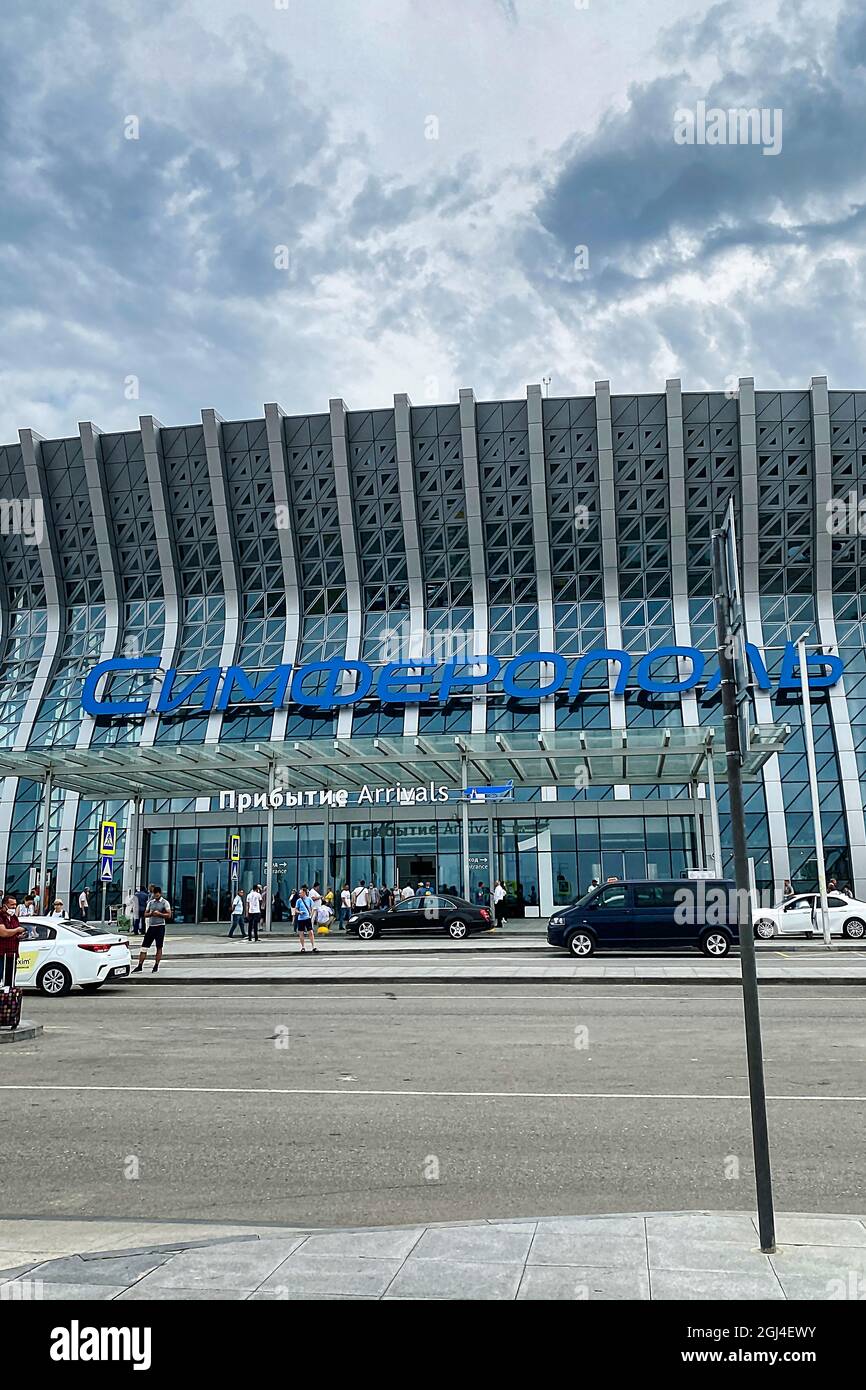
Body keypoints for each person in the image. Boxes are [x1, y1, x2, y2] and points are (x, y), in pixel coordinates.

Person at [133, 886, 171, 975]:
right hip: (151, 926)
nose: (156, 896)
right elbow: (145, 914)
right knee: (144, 947)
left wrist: (159, 914)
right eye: (154, 894)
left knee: (159, 946)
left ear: (160, 894)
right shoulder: (150, 903)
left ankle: (156, 965)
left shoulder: (165, 903)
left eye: (157, 894)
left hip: (160, 926)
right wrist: (150, 914)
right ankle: (140, 965)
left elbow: (169, 915)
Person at [0, 893, 25, 989]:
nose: (14, 907)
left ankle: (7, 1001)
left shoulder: (14, 917)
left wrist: (20, 935)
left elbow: (15, 932)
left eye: (15, 905)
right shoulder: (1, 917)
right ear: (5, 905)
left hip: (12, 953)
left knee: (9, 982)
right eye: (12, 905)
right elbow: (3, 933)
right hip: (2, 954)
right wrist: (17, 930)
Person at [294, 885, 318, 953]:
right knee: (301, 933)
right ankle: (303, 947)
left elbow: (312, 907)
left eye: (300, 893)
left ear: (304, 893)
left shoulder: (309, 899)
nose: (299, 894)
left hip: (307, 918)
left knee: (310, 932)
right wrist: (299, 912)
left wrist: (311, 915)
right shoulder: (298, 901)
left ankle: (313, 946)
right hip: (300, 919)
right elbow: (295, 909)